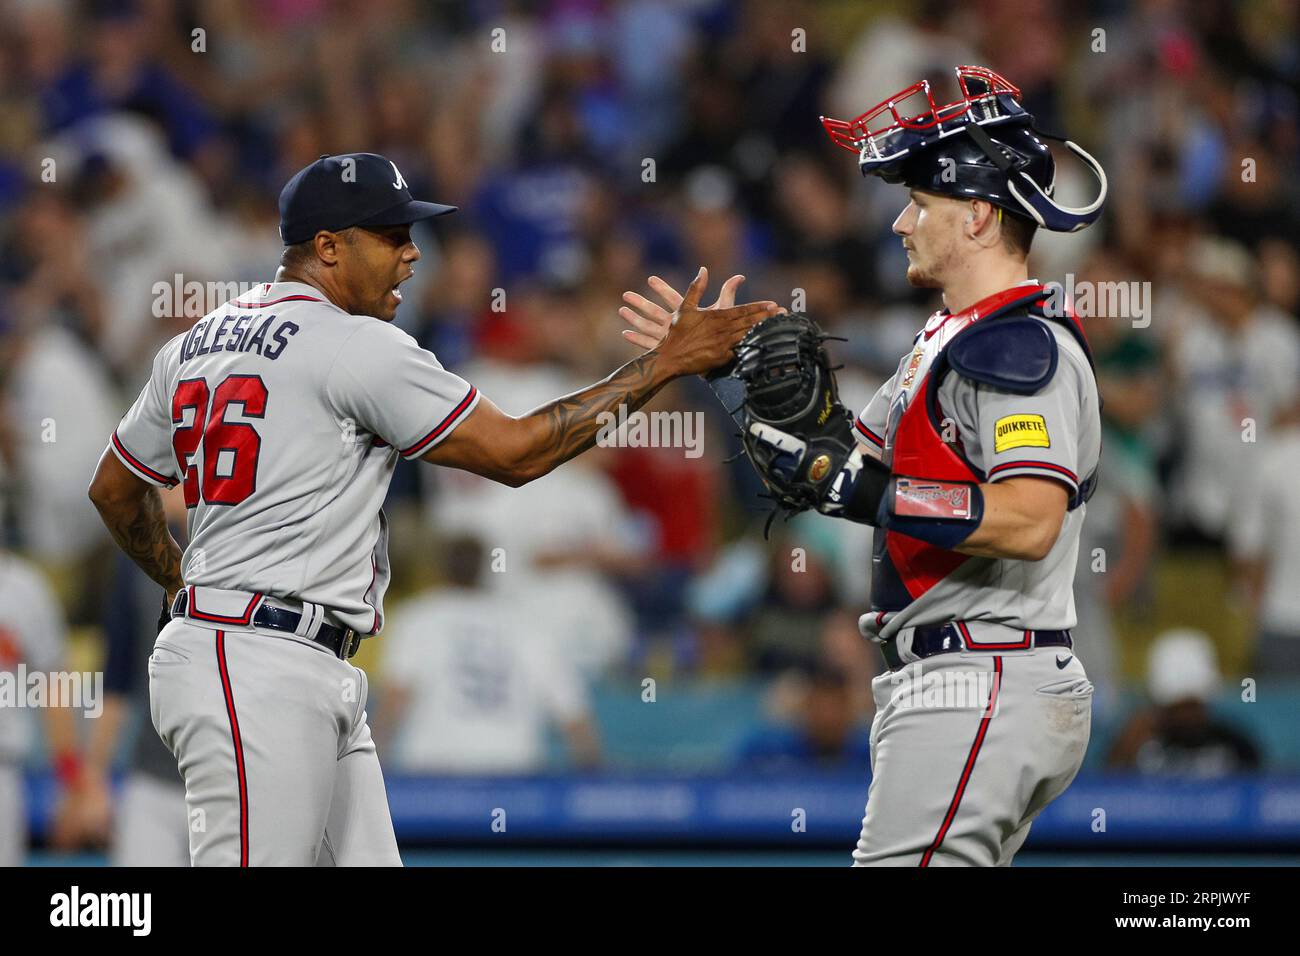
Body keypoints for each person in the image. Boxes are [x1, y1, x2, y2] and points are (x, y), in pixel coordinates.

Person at [87, 151, 779, 866]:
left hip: (278, 652)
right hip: (258, 662)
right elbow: (516, 453)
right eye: (389, 235)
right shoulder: (356, 344)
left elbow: (113, 489)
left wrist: (179, 585)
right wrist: (662, 365)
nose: (413, 252)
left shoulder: (197, 342)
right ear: (327, 247)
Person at [620, 67, 1106, 866]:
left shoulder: (1019, 347)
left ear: (982, 216)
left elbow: (1029, 520)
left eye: (922, 204)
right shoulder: (951, 337)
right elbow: (839, 455)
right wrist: (726, 361)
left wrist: (862, 489)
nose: (901, 224)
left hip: (981, 669)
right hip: (961, 673)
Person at [377, 535, 600, 773]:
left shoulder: (417, 617)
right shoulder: (526, 622)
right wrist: (596, 785)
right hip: (513, 775)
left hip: (435, 778)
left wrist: (373, 768)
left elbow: (395, 701)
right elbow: (574, 719)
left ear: (438, 568)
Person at [1107, 629, 1261, 777]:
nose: (1188, 716)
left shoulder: (1234, 746)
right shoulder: (1139, 743)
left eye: (1193, 706)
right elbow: (1107, 790)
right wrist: (1126, 747)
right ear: (1161, 706)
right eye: (1178, 708)